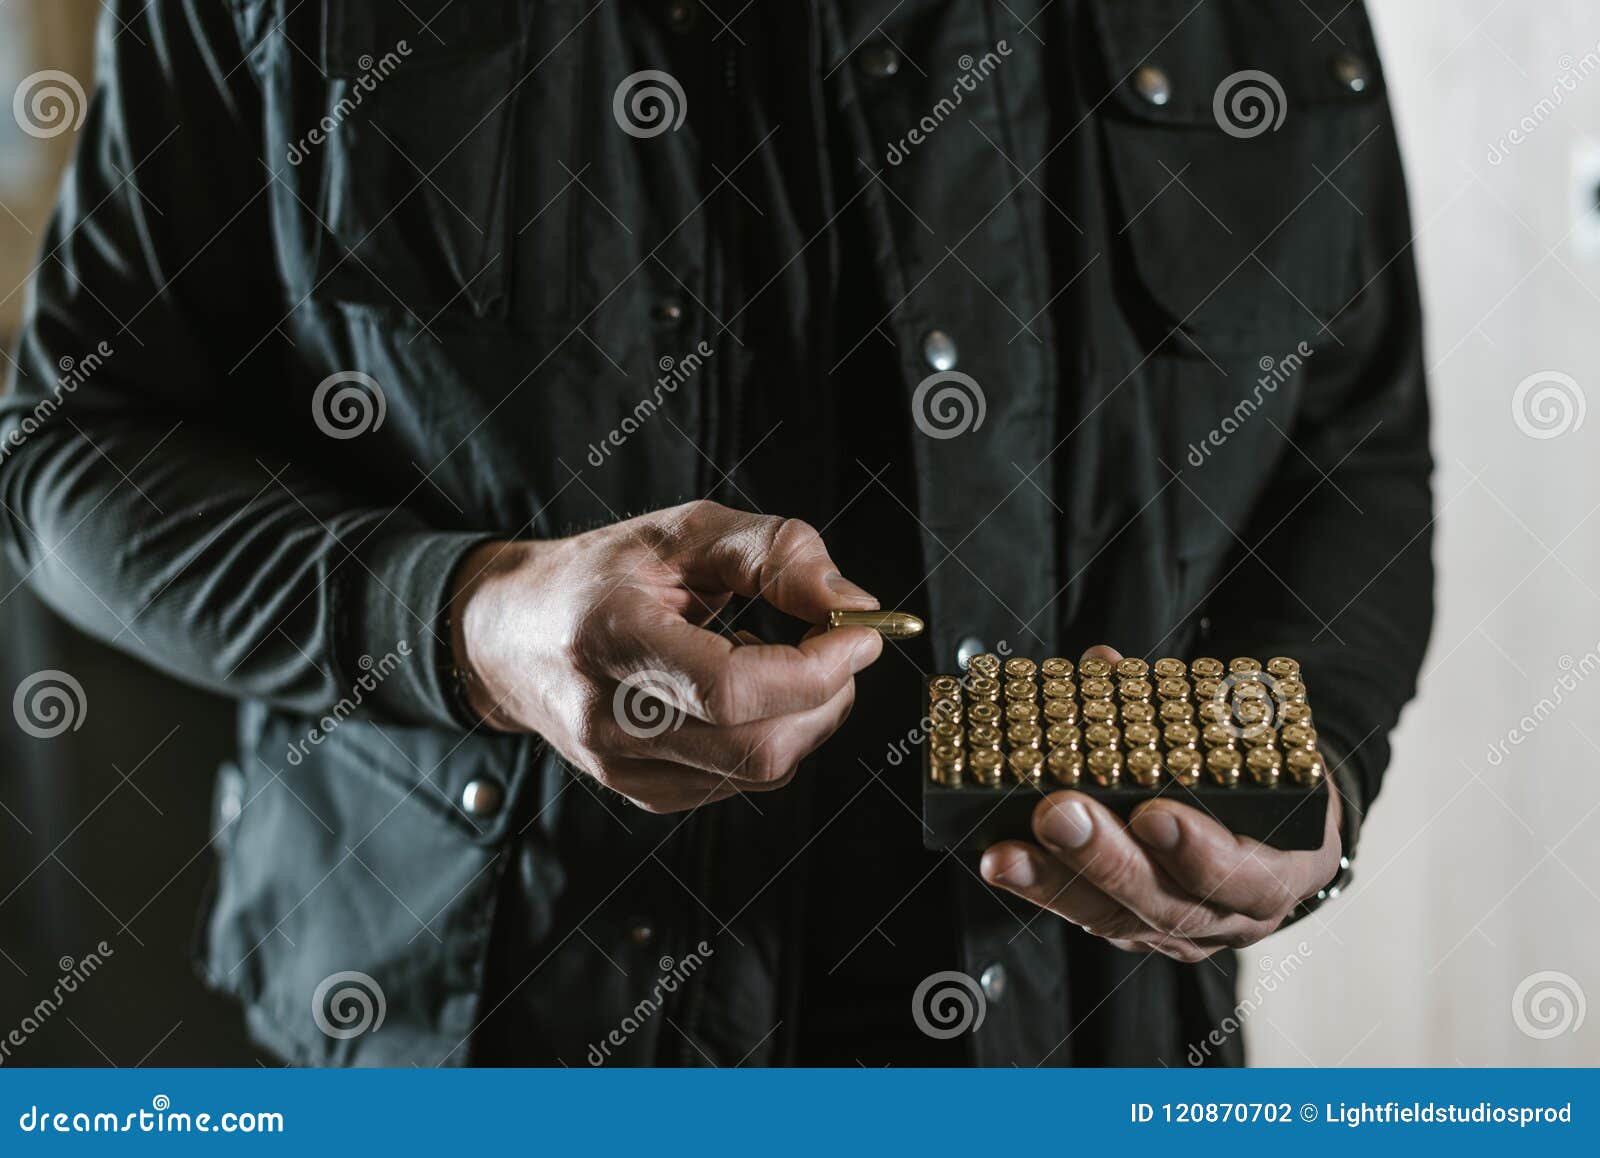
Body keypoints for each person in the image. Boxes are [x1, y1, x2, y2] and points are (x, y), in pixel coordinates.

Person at [0, 0, 1432, 1066]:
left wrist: (1312, 790)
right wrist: (464, 621)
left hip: (1085, 1054)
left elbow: (1356, 438)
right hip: (485, 1048)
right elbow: (72, 444)